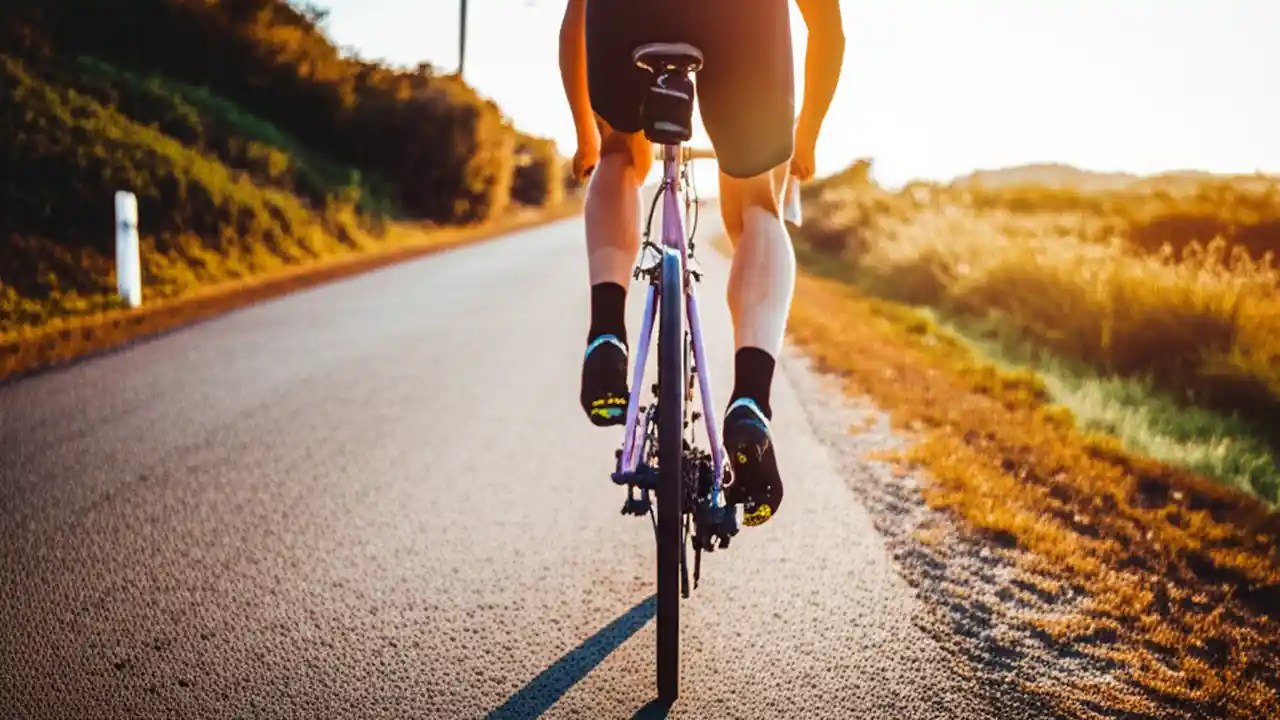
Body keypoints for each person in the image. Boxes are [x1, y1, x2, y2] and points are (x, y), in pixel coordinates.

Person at [559, 0, 845, 527]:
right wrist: (805, 136)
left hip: (627, 18)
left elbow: (577, 17)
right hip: (741, 21)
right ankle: (751, 402)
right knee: (760, 201)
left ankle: (605, 336)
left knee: (621, 153)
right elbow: (826, 25)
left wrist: (587, 132)